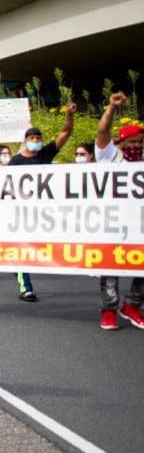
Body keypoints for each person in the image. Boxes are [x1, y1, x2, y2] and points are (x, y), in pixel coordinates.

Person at [3, 103, 77, 302]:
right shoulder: (16, 162)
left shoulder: (45, 154)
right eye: (31, 138)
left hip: (44, 211)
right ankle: (25, 287)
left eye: (38, 138)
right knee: (22, 247)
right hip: (23, 212)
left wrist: (69, 115)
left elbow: (66, 132)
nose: (35, 141)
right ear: (25, 141)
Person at [93, 92, 144, 330]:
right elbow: (102, 133)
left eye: (140, 143)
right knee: (111, 268)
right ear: (121, 143)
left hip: (140, 224)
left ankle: (132, 305)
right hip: (113, 224)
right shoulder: (111, 157)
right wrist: (111, 109)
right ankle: (109, 309)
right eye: (132, 142)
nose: (135, 146)